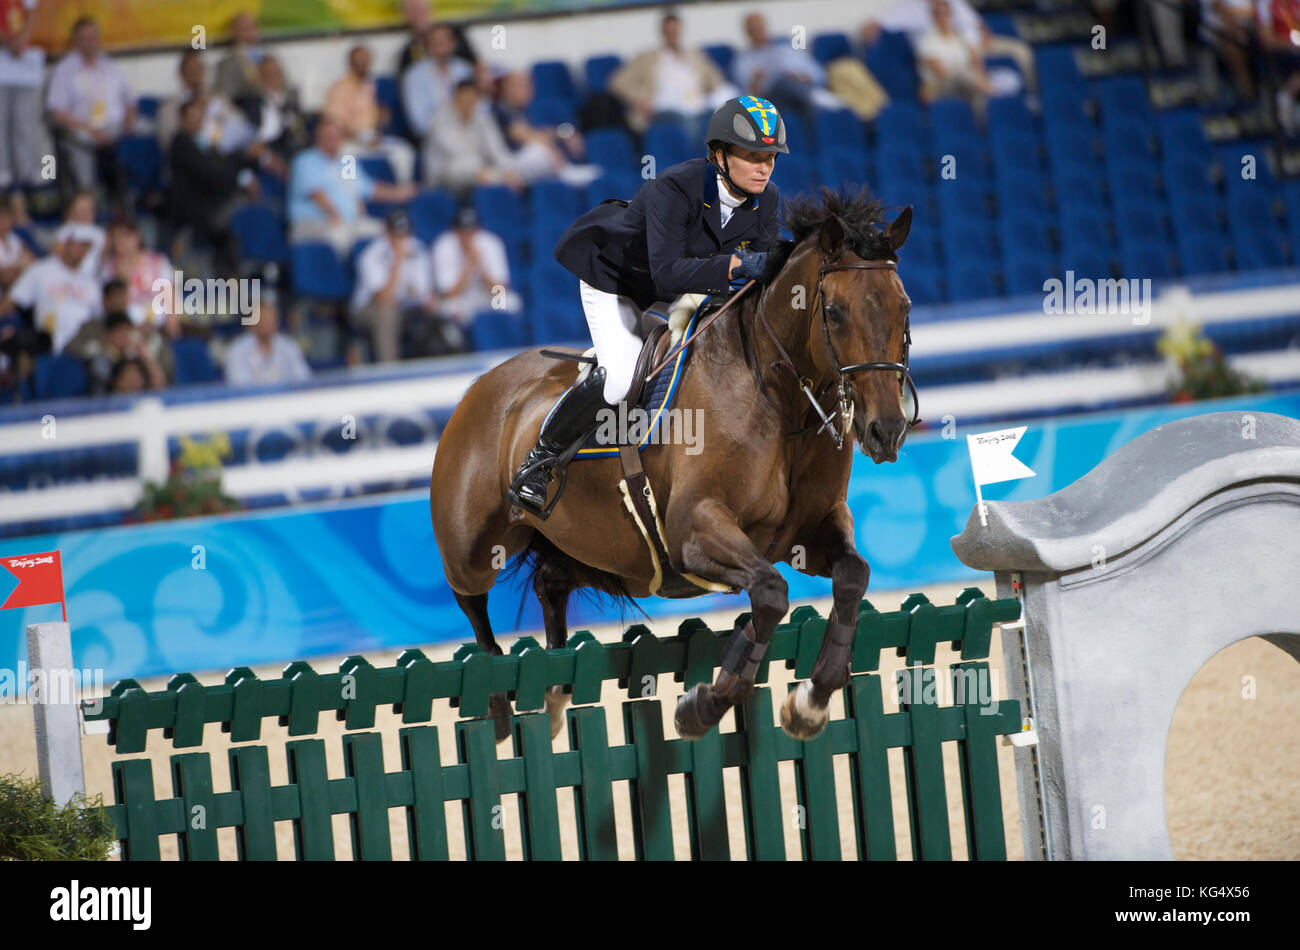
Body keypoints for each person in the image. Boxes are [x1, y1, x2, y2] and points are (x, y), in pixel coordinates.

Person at [509, 96, 784, 515]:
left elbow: (756, 278)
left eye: (769, 157)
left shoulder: (768, 199)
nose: (763, 167)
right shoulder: (676, 188)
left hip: (674, 295)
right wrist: (735, 265)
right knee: (620, 379)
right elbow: (669, 272)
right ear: (719, 155)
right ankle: (540, 460)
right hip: (618, 282)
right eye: (752, 156)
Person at [289, 117, 416, 256]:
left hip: (349, 223)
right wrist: (337, 216)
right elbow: (317, 195)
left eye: (336, 136)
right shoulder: (306, 160)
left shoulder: (345, 162)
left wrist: (403, 193)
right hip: (314, 224)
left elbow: (367, 190)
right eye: (327, 136)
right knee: (339, 235)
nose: (332, 140)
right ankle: (339, 276)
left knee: (384, 231)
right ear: (317, 138)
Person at [45, 17, 136, 206]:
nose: (89, 42)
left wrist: (129, 122)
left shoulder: (111, 66)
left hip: (114, 131)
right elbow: (57, 113)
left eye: (92, 37)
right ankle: (88, 202)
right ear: (75, 41)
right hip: (82, 132)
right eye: (83, 38)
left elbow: (130, 101)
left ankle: (126, 206)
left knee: (137, 140)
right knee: (79, 145)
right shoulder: (64, 70)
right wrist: (91, 131)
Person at [168, 98, 258, 274]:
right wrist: (238, 179)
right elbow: (210, 174)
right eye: (191, 117)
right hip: (195, 212)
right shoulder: (181, 144)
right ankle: (230, 273)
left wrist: (243, 176)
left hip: (213, 205)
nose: (196, 121)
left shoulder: (206, 144)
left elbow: (227, 164)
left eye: (198, 117)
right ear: (182, 120)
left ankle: (239, 271)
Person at [610, 10, 735, 137]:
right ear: (662, 32)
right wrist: (639, 99)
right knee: (688, 123)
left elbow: (716, 80)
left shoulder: (695, 55)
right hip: (666, 107)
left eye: (675, 30)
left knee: (724, 108)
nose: (672, 34)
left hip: (697, 104)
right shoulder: (647, 57)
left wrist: (712, 90)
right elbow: (618, 82)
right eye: (668, 31)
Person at [732, 12, 844, 137]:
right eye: (753, 28)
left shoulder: (786, 50)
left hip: (800, 89)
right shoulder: (744, 60)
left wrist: (802, 76)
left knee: (794, 86)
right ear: (747, 32)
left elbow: (818, 75)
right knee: (784, 82)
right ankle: (813, 101)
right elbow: (749, 97)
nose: (758, 31)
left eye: (760, 27)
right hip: (772, 98)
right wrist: (757, 80)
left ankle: (812, 102)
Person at [351, 209, 439, 363]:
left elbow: (422, 292)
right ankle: (390, 368)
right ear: (388, 233)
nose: (402, 240)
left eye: (405, 234)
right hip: (367, 308)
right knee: (387, 313)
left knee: (439, 308)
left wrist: (426, 300)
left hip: (404, 304)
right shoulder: (372, 255)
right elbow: (384, 298)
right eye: (397, 235)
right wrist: (398, 260)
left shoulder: (418, 249)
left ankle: (439, 368)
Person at [0, 223, 102, 354]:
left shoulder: (91, 281)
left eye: (87, 246)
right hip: (47, 345)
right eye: (79, 244)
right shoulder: (41, 270)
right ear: (67, 243)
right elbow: (12, 301)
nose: (82, 250)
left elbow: (99, 317)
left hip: (81, 350)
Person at [324, 45, 417, 183]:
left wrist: (380, 131)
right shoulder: (339, 88)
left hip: (375, 137)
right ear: (351, 62)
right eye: (358, 61)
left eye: (365, 60)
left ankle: (404, 191)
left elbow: (384, 118)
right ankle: (347, 194)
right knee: (345, 155)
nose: (362, 64)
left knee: (404, 152)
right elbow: (335, 124)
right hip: (350, 139)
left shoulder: (376, 85)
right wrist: (359, 138)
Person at [423, 80, 527, 190]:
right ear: (454, 99)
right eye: (463, 100)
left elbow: (497, 150)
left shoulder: (483, 119)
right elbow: (458, 154)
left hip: (479, 174)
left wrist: (510, 171)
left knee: (513, 170)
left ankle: (498, 178)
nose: (467, 105)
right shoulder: (439, 121)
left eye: (471, 100)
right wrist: (490, 172)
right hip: (444, 177)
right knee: (460, 167)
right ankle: (496, 178)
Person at [431, 204, 518, 332]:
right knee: (449, 308)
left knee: (510, 303)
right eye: (463, 232)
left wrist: (481, 267)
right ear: (455, 231)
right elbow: (449, 294)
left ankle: (503, 342)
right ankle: (462, 348)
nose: (468, 237)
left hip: (486, 295)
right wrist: (469, 265)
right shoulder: (444, 245)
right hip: (461, 300)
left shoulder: (491, 242)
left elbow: (501, 288)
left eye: (472, 231)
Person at [101, 218, 177, 335]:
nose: (121, 242)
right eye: (116, 238)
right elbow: (113, 307)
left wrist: (172, 324)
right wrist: (123, 279)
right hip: (128, 327)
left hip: (159, 325)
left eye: (125, 237)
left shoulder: (158, 262)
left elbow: (171, 297)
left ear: (136, 236)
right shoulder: (109, 269)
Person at [0, 0, 43, 203]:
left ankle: (28, 169)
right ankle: (3, 169)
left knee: (24, 120)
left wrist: (22, 39)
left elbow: (31, 12)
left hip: (21, 56)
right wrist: (7, 40)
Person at [914, 0, 994, 111]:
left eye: (946, 14)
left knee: (979, 85)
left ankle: (990, 106)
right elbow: (941, 72)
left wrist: (981, 75)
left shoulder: (959, 37)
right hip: (941, 84)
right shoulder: (927, 41)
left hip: (966, 83)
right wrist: (967, 75)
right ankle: (994, 96)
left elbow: (975, 60)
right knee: (970, 79)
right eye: (940, 14)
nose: (944, 18)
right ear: (934, 17)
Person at [401, 22, 474, 141]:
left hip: (471, 133)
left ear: (453, 44)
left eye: (445, 41)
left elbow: (478, 107)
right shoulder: (414, 76)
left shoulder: (465, 69)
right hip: (437, 137)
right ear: (428, 46)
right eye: (435, 42)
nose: (441, 46)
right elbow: (419, 122)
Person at [224, 297, 311, 386]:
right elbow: (239, 385)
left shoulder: (289, 345)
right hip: (253, 399)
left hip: (287, 398)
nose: (267, 322)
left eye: (270, 317)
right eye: (262, 318)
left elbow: (303, 378)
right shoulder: (237, 350)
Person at [215, 11, 264, 118]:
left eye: (250, 27)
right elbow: (225, 97)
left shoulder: (269, 60)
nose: (247, 32)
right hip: (244, 116)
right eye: (241, 29)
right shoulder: (225, 65)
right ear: (233, 33)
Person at [0, 201, 33, 292]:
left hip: (16, 285)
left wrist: (14, 270)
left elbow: (32, 263)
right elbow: (4, 276)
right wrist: (19, 268)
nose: (3, 223)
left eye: (6, 219)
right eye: (1, 219)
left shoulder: (15, 239)